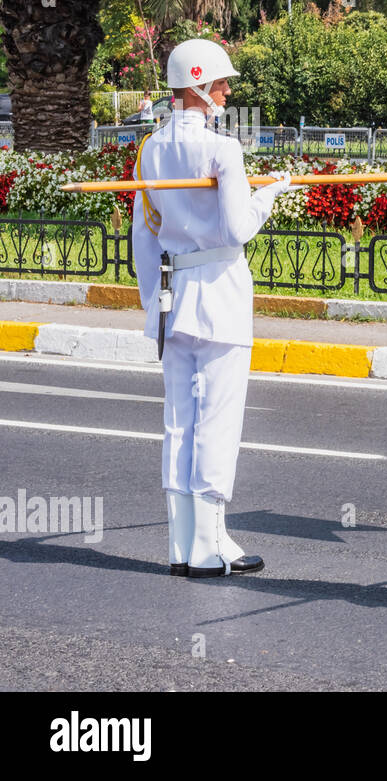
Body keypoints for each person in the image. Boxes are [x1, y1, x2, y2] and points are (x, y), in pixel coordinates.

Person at [132, 39, 293, 578]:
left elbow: (143, 240)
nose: (227, 90)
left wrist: (151, 307)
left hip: (177, 296)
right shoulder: (224, 150)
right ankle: (206, 549)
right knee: (218, 423)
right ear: (198, 86)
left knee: (179, 422)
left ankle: (185, 545)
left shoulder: (150, 150)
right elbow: (236, 228)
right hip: (220, 290)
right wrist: (270, 194)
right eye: (221, 83)